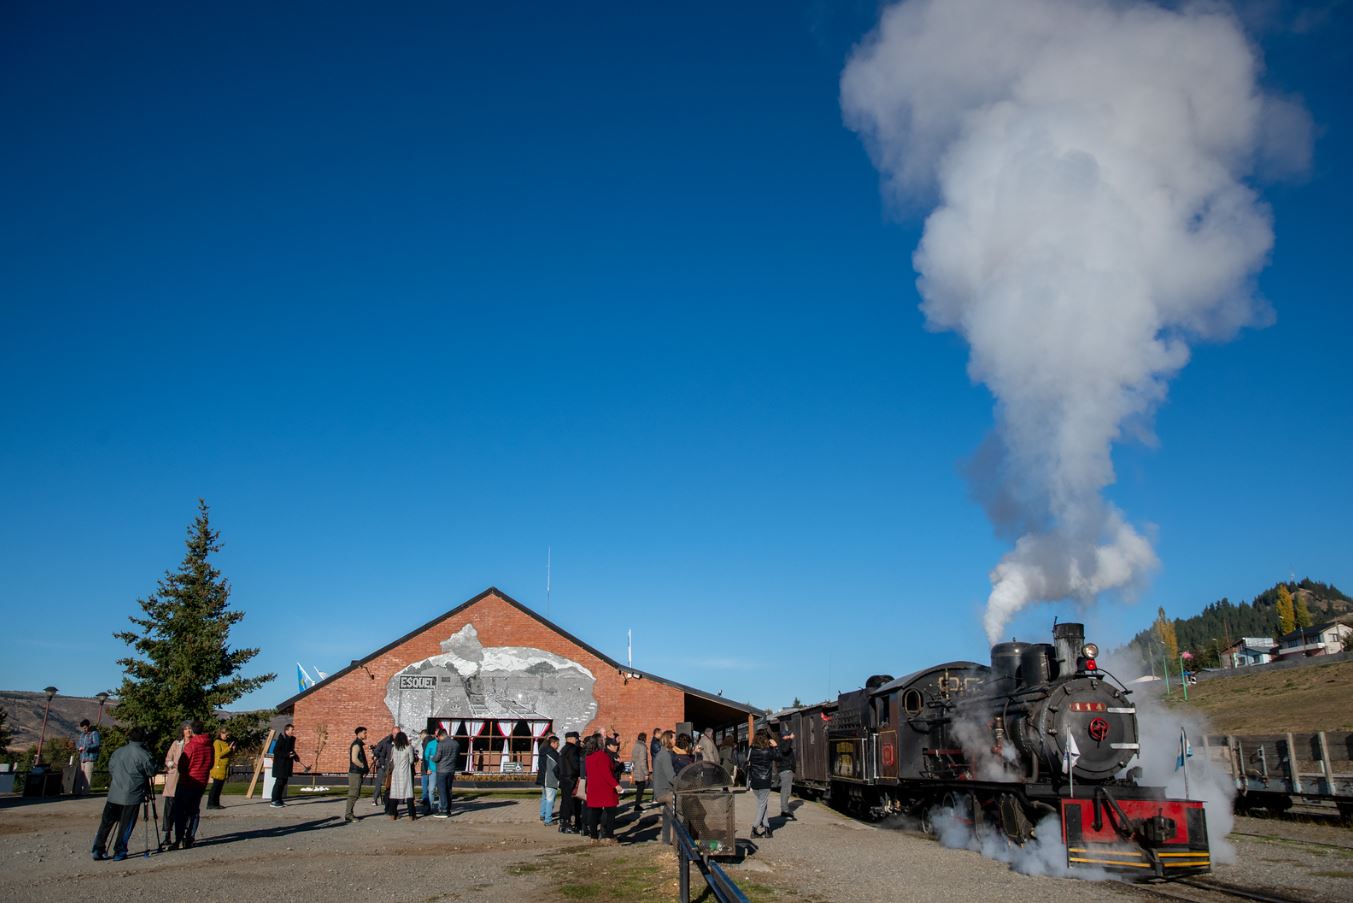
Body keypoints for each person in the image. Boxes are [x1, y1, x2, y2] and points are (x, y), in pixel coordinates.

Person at [91, 726, 156, 862]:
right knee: (126, 825)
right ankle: (119, 851)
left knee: (106, 823)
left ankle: (98, 849)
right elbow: (151, 771)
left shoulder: (118, 751)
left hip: (114, 793)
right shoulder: (143, 754)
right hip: (132, 795)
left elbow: (111, 768)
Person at [171, 721, 213, 850]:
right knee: (194, 810)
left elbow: (182, 766)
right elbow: (211, 763)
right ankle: (190, 837)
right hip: (201, 781)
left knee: (181, 811)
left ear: (193, 731)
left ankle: (179, 838)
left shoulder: (191, 746)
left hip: (188, 781)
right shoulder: (209, 745)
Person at [585, 736, 622, 842]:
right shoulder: (602, 756)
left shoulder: (588, 756)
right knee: (611, 811)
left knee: (594, 812)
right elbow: (606, 773)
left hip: (593, 786)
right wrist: (616, 785)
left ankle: (593, 837)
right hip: (604, 787)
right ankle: (609, 836)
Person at [160, 724, 191, 847]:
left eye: (190, 728)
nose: (188, 731)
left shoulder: (193, 744)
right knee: (169, 809)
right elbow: (168, 759)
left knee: (185, 810)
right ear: (182, 731)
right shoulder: (176, 744)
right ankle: (167, 834)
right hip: (174, 779)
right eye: (186, 729)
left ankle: (183, 835)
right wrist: (173, 765)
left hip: (187, 779)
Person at [747, 728, 776, 839]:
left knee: (762, 805)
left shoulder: (751, 750)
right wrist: (776, 746)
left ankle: (767, 829)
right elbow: (778, 757)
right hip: (765, 781)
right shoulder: (768, 751)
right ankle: (754, 829)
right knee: (762, 805)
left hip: (754, 782)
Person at [650, 731, 677, 845]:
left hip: (661, 791)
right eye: (674, 738)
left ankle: (666, 840)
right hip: (665, 792)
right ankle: (677, 842)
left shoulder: (663, 753)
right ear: (668, 740)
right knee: (679, 815)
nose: (675, 740)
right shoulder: (665, 755)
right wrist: (683, 784)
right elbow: (671, 777)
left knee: (667, 815)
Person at [385, 731, 417, 820]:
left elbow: (391, 760)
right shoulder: (408, 747)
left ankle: (393, 814)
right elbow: (411, 760)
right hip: (405, 773)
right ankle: (411, 815)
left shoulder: (394, 748)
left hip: (395, 773)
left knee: (394, 794)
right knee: (408, 794)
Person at [556, 731, 582, 835]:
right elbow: (575, 764)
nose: (577, 740)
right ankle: (567, 825)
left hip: (563, 778)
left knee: (564, 802)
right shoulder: (572, 749)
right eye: (576, 738)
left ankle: (563, 823)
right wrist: (580, 773)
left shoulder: (563, 749)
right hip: (571, 778)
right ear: (570, 738)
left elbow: (557, 767)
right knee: (569, 803)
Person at [270, 723, 301, 808]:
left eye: (293, 730)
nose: (293, 731)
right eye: (292, 730)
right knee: (279, 783)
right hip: (280, 765)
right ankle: (274, 801)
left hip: (287, 765)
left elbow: (291, 750)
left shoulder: (291, 739)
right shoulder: (282, 738)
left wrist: (295, 757)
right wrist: (287, 755)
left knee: (283, 783)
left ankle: (279, 800)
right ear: (286, 730)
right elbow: (276, 751)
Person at [432, 728, 459, 817]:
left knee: (442, 790)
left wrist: (432, 758)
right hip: (451, 770)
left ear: (441, 736)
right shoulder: (455, 743)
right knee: (449, 790)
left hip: (442, 770)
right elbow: (457, 756)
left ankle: (444, 809)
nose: (437, 738)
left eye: (438, 737)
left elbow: (437, 758)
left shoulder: (441, 744)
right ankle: (448, 809)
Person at [207, 727, 235, 809]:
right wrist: (229, 748)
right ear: (221, 733)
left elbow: (227, 755)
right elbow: (219, 754)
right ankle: (210, 804)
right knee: (215, 787)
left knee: (219, 788)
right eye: (226, 735)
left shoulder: (225, 743)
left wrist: (232, 750)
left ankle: (216, 804)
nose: (227, 737)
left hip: (224, 768)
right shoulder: (217, 742)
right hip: (218, 768)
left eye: (228, 735)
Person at [345, 726, 369, 823]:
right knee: (353, 794)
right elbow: (354, 759)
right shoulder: (356, 745)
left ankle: (349, 813)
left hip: (357, 772)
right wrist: (363, 766)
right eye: (364, 733)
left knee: (355, 794)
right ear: (359, 733)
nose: (366, 734)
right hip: (355, 773)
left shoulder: (359, 744)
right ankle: (348, 815)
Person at [536, 735, 561, 825]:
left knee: (545, 798)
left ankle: (543, 814)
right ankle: (548, 819)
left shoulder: (542, 750)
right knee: (550, 799)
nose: (558, 745)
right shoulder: (553, 754)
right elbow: (556, 769)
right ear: (553, 743)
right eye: (557, 743)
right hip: (550, 779)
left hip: (543, 778)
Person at [370, 726, 395, 807]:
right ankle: (375, 798)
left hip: (391, 765)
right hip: (383, 764)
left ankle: (389, 799)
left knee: (389, 783)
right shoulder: (385, 741)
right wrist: (382, 761)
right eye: (395, 733)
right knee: (379, 782)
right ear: (392, 733)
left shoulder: (397, 741)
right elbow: (377, 751)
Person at [75, 719, 101, 796]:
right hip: (82, 758)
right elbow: (78, 743)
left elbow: (96, 744)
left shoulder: (94, 733)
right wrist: (79, 747)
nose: (84, 729)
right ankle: (77, 792)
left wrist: (86, 747)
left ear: (88, 726)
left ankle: (85, 793)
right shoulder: (82, 735)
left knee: (87, 776)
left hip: (90, 758)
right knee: (79, 776)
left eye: (85, 728)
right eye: (83, 728)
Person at [776, 728, 796, 819]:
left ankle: (785, 809)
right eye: (787, 735)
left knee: (786, 791)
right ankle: (785, 810)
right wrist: (790, 739)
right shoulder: (783, 743)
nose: (789, 736)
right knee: (786, 791)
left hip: (786, 770)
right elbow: (785, 750)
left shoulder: (783, 743)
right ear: (784, 736)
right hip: (786, 770)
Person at [419, 729, 438, 816]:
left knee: (427, 789)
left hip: (427, 768)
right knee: (432, 789)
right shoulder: (433, 741)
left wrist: (427, 768)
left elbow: (426, 757)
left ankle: (427, 806)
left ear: (423, 735)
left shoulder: (427, 742)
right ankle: (431, 806)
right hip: (434, 768)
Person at [629, 732, 649, 813]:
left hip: (636, 769)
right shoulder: (642, 747)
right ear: (644, 738)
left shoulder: (635, 745)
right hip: (641, 770)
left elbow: (633, 759)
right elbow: (643, 761)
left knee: (639, 789)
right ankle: (637, 806)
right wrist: (646, 773)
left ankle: (637, 805)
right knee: (640, 789)